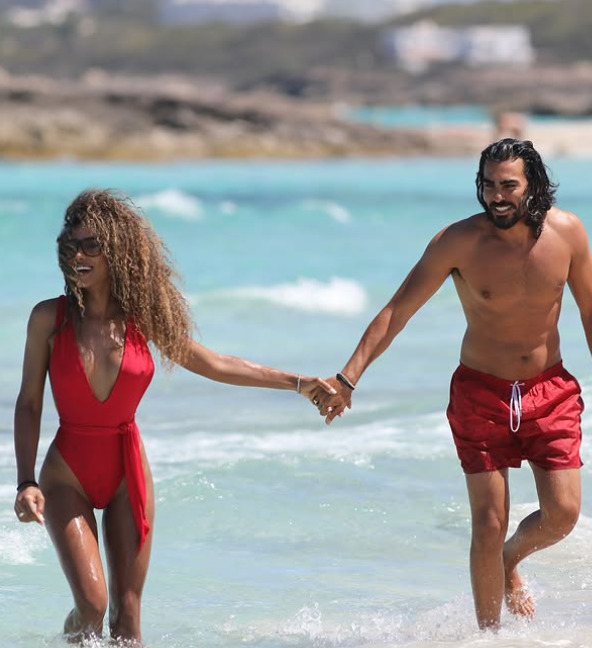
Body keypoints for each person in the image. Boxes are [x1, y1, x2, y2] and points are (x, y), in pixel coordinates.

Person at [13, 188, 335, 645]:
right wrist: (25, 481)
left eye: (90, 245)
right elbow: (29, 402)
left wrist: (297, 383)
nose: (77, 256)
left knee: (127, 620)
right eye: (69, 246)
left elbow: (216, 364)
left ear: (116, 250)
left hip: (127, 475)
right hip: (67, 474)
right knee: (91, 606)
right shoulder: (50, 318)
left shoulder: (143, 320)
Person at [311, 138, 592, 630]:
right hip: (480, 395)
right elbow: (397, 311)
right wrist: (348, 377)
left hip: (549, 392)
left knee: (563, 514)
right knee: (488, 521)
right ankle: (489, 636)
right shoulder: (458, 241)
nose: (496, 196)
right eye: (488, 185)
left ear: (533, 184)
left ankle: (509, 559)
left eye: (508, 185)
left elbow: (590, 312)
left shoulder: (568, 233)